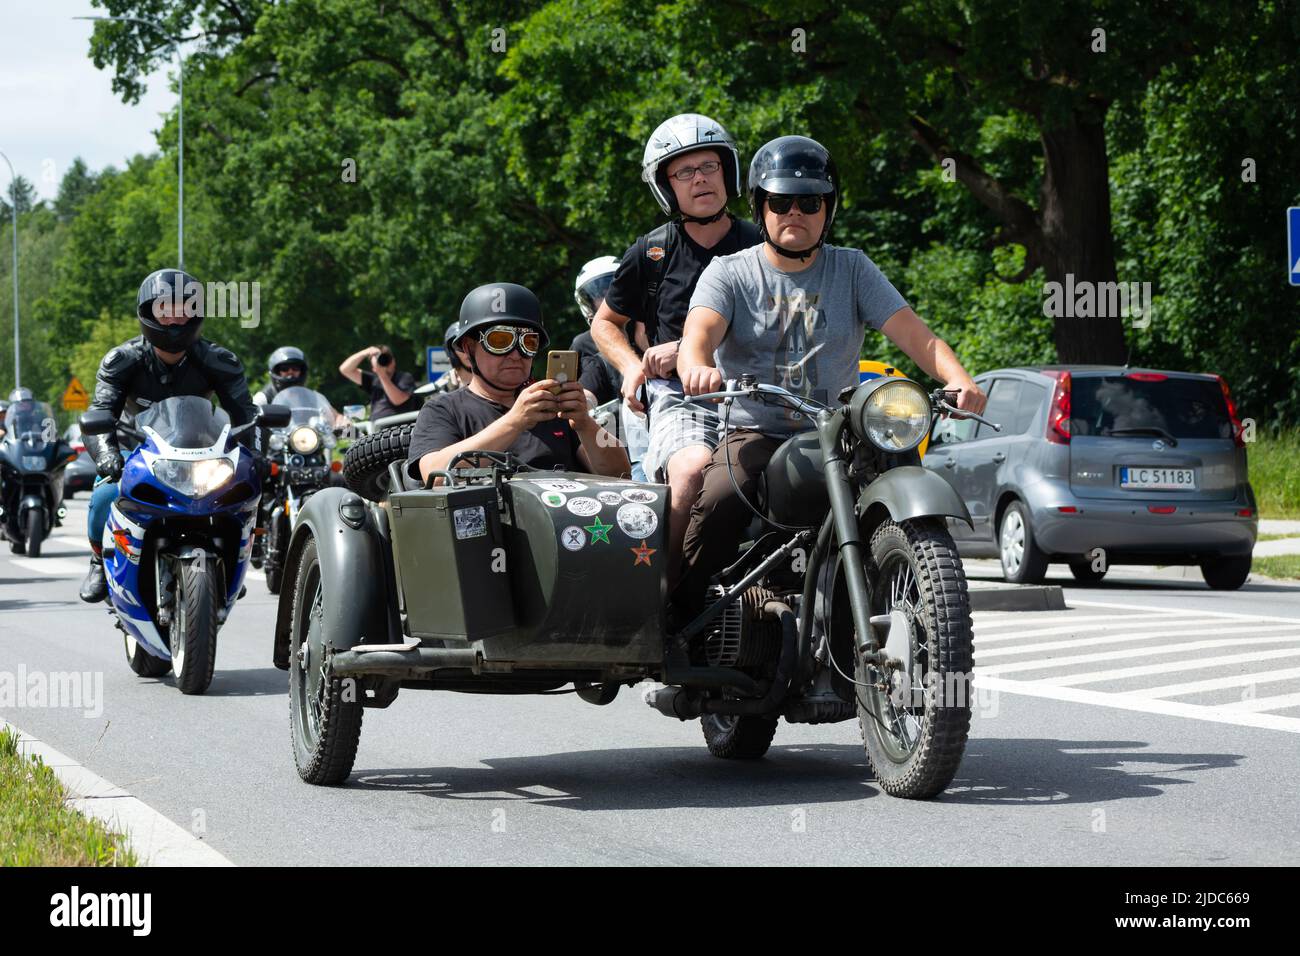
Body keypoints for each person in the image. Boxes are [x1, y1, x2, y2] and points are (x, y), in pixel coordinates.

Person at [673, 134, 987, 622]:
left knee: (896, 473)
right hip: (757, 429)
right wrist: (695, 364)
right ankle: (682, 615)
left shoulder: (853, 268)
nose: (794, 212)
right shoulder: (729, 273)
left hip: (840, 429)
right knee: (717, 497)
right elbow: (699, 333)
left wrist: (959, 378)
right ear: (760, 207)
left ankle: (911, 599)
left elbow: (917, 337)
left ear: (828, 210)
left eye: (810, 201)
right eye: (780, 201)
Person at [590, 113, 761, 576]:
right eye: (684, 171)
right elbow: (605, 323)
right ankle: (663, 594)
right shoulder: (651, 250)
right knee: (689, 473)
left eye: (709, 165)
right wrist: (632, 368)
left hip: (759, 389)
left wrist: (685, 345)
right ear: (666, 186)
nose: (700, 178)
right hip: (681, 397)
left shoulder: (763, 241)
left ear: (729, 172)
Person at [79, 269, 258, 603]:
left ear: (196, 314)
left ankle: (230, 562)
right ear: (148, 312)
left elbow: (245, 414)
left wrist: (255, 455)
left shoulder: (219, 361)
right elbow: (100, 414)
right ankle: (98, 559)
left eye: (183, 308)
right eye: (165, 308)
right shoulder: (122, 361)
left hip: (201, 454)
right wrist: (107, 457)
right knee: (104, 496)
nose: (175, 318)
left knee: (240, 494)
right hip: (137, 454)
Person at [406, 283, 629, 485]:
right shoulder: (442, 410)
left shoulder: (553, 406)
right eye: (500, 341)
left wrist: (584, 423)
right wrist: (515, 421)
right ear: (468, 347)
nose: (515, 354)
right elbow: (434, 475)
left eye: (528, 342)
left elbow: (620, 475)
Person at [569, 255, 643, 406]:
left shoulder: (647, 330)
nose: (608, 299)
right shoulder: (582, 344)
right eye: (599, 294)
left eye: (613, 289)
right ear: (587, 303)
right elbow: (576, 394)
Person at [338, 343, 418, 420]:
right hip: (376, 429)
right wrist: (366, 352)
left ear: (393, 361)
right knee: (349, 431)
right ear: (373, 368)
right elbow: (345, 369)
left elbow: (398, 400)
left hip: (399, 429)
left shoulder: (404, 377)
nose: (383, 363)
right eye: (379, 360)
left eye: (386, 358)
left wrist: (382, 375)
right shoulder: (373, 380)